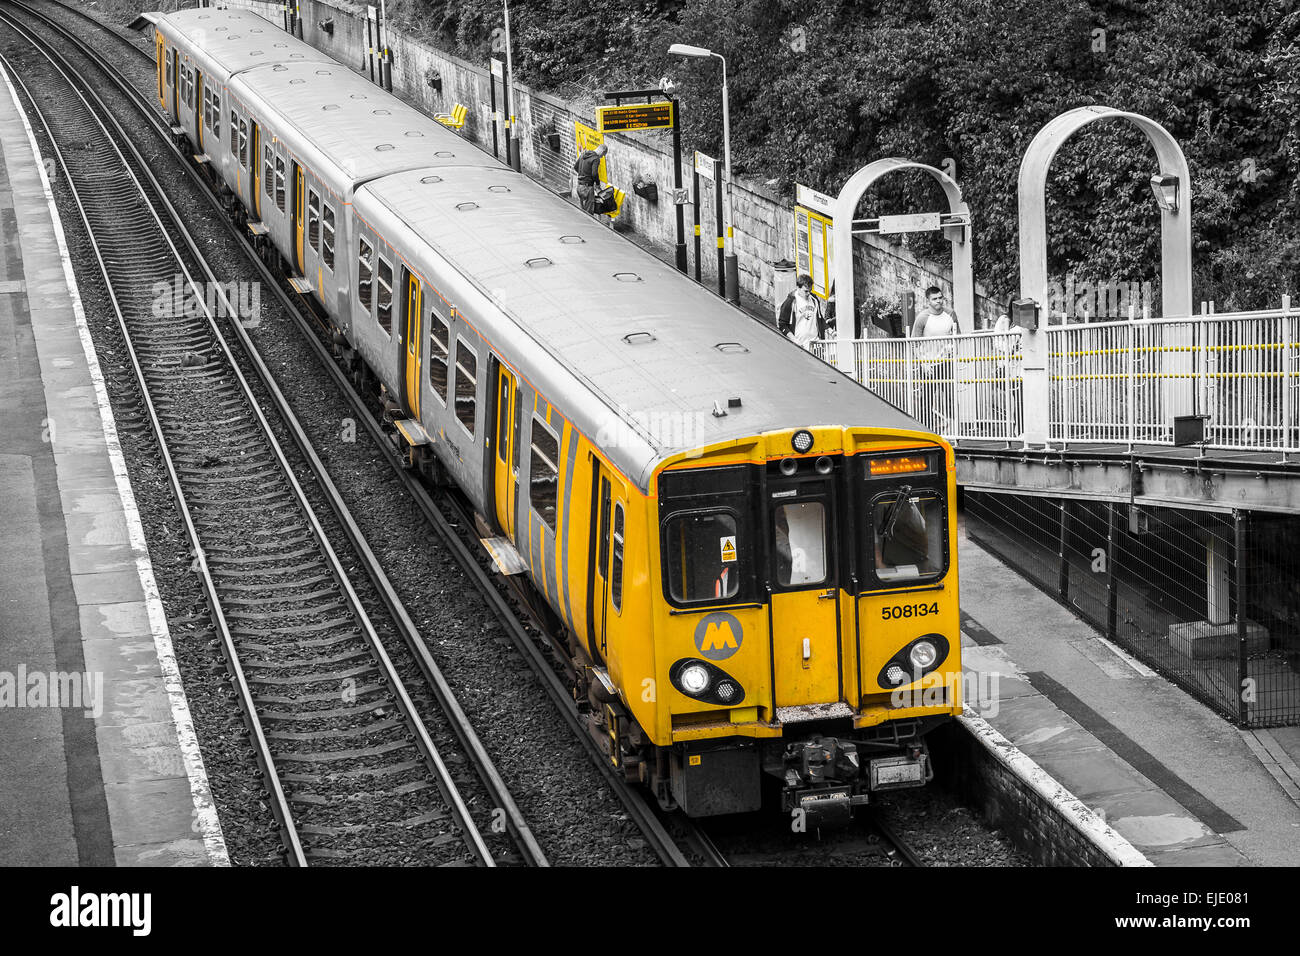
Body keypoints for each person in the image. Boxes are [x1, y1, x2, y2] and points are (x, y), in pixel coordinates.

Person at [777, 274, 827, 349]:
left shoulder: (814, 300)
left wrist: (829, 330)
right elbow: (782, 324)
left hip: (816, 344)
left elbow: (820, 319)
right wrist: (794, 340)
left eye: (810, 291)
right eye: (806, 291)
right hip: (799, 345)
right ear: (798, 288)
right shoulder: (790, 302)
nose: (808, 294)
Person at [574, 143, 607, 215]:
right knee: (588, 213)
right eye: (603, 155)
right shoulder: (596, 158)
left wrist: (583, 175)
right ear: (602, 151)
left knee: (582, 211)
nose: (602, 157)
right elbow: (594, 174)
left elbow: (575, 167)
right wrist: (597, 184)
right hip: (587, 187)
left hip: (579, 186)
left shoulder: (583, 154)